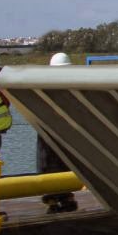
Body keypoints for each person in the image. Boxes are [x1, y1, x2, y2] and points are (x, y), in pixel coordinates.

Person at [36, 52, 79, 213]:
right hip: (61, 131)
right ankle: (63, 198)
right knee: (62, 163)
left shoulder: (43, 85)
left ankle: (55, 199)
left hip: (48, 130)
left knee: (49, 164)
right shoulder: (71, 85)